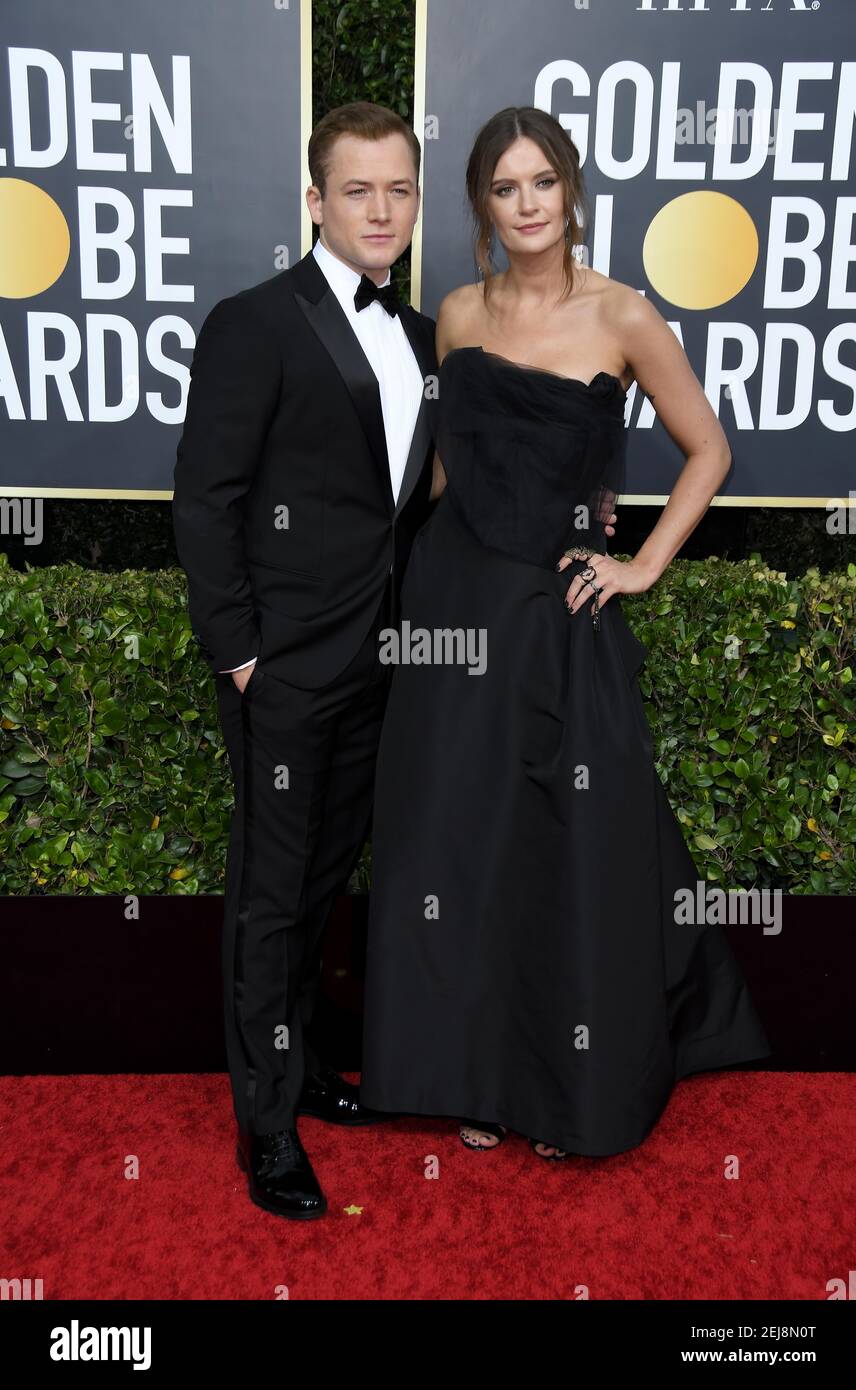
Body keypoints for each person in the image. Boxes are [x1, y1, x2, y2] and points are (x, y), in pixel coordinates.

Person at [359, 106, 772, 1160]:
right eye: (505, 188)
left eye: (541, 182)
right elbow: (448, 472)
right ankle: (474, 1077)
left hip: (559, 616)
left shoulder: (623, 316)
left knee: (560, 847)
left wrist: (637, 562)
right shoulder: (454, 314)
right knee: (457, 840)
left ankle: (562, 1082)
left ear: (571, 190)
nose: (526, 203)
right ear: (482, 207)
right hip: (454, 611)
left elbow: (708, 451)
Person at [172, 102, 444, 1219]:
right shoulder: (255, 322)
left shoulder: (423, 338)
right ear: (314, 200)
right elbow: (206, 499)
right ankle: (267, 1125)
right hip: (282, 668)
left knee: (326, 877)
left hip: (380, 662)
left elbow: (411, 503)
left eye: (398, 190)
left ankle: (300, 1067)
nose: (380, 211)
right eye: (357, 191)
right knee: (273, 896)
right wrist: (241, 657)